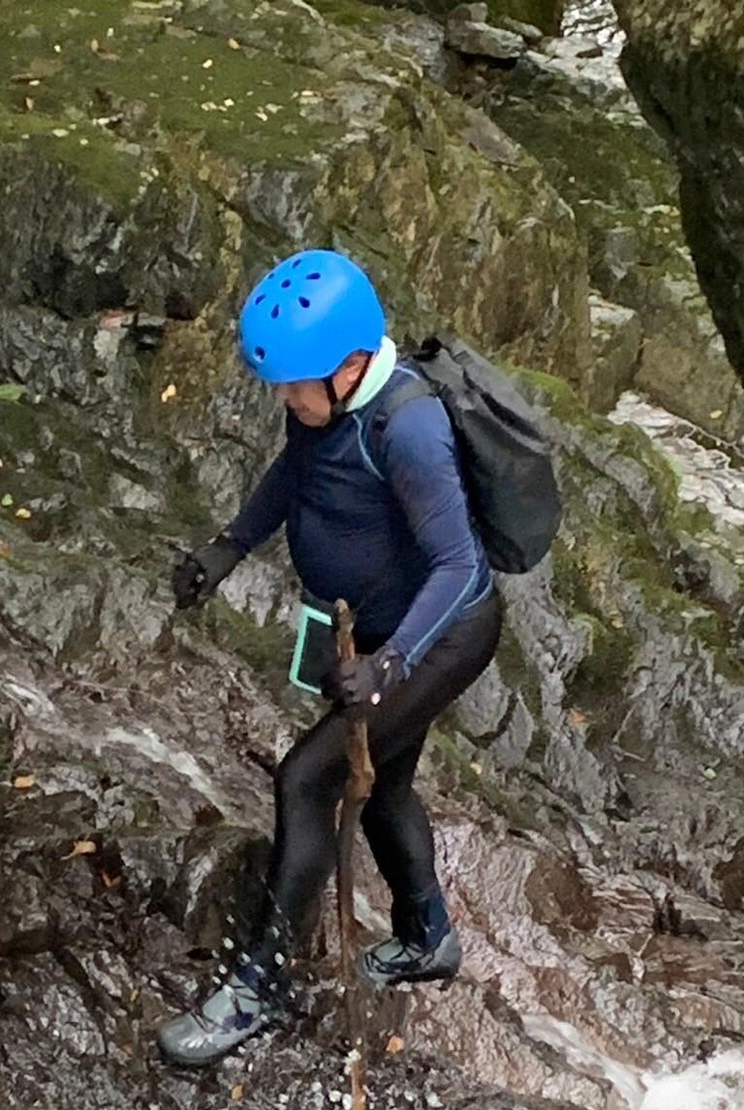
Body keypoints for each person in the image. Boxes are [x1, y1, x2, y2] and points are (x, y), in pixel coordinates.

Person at [157, 249, 501, 1067]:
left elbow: (457, 567)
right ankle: (426, 936)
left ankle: (260, 986)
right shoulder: (320, 405)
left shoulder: (408, 428)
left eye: (294, 384)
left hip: (440, 633)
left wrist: (389, 666)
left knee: (306, 777)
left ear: (349, 368)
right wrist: (228, 546)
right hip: (380, 632)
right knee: (384, 785)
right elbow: (294, 474)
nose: (284, 399)